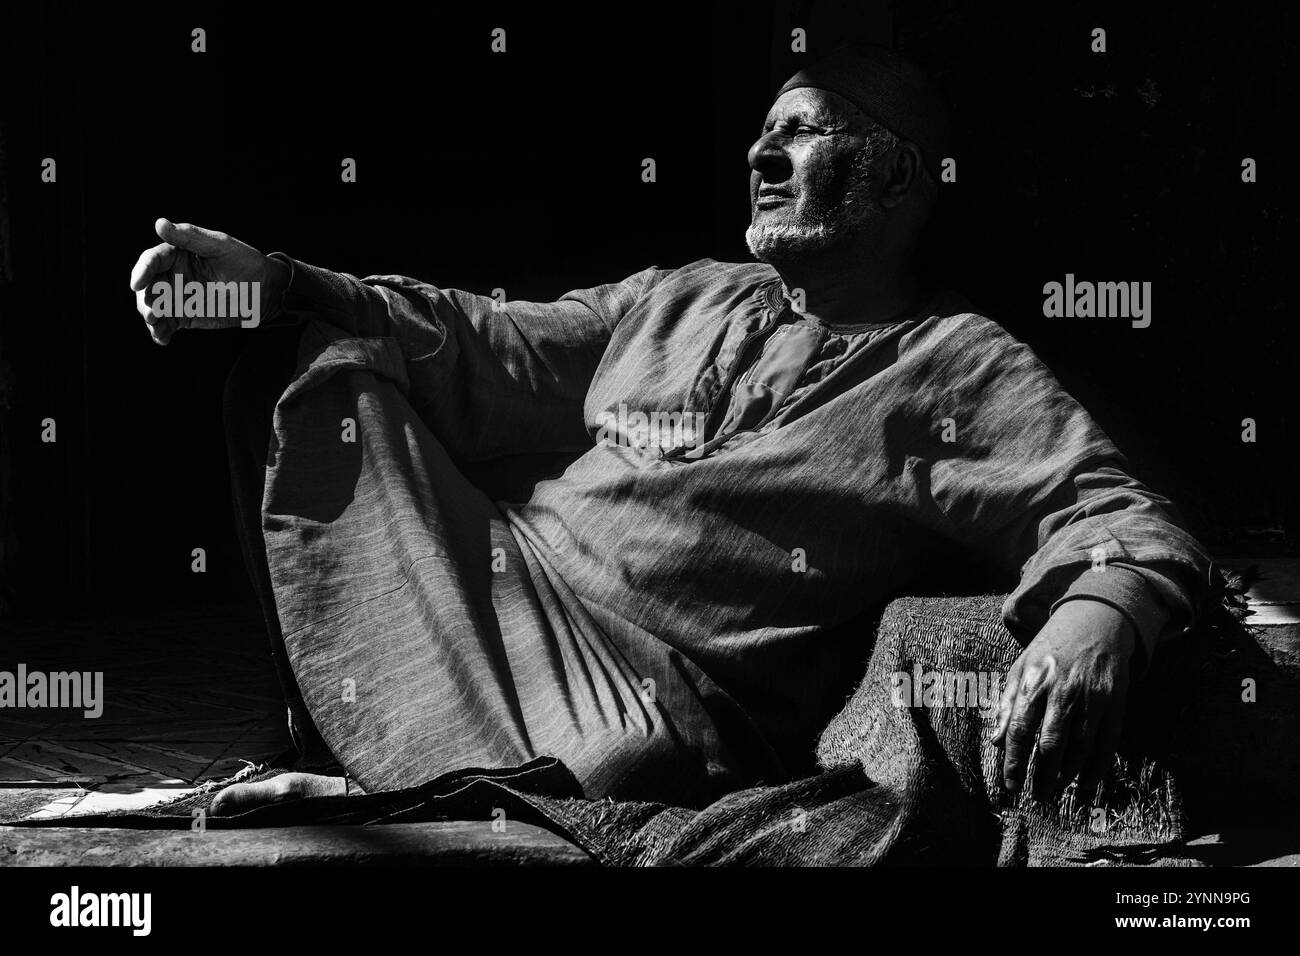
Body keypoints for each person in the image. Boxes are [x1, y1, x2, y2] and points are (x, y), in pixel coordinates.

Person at [128, 44, 1209, 818]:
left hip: (643, 692)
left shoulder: (952, 362)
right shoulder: (683, 293)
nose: (760, 152)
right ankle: (366, 739)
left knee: (611, 765)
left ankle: (436, 771)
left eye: (800, 130)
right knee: (319, 370)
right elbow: (476, 338)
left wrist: (1098, 619)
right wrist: (271, 280)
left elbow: (1111, 508)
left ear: (894, 177)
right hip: (492, 585)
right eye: (761, 130)